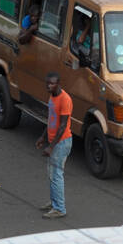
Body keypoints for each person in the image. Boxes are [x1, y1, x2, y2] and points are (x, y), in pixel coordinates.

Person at [37, 72, 72, 218]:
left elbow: (63, 126)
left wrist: (51, 147)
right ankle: (54, 202)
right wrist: (43, 137)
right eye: (47, 83)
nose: (48, 86)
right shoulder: (52, 96)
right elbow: (51, 119)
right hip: (54, 142)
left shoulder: (65, 99)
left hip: (61, 143)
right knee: (51, 174)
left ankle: (60, 208)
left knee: (56, 175)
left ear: (58, 83)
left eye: (52, 83)